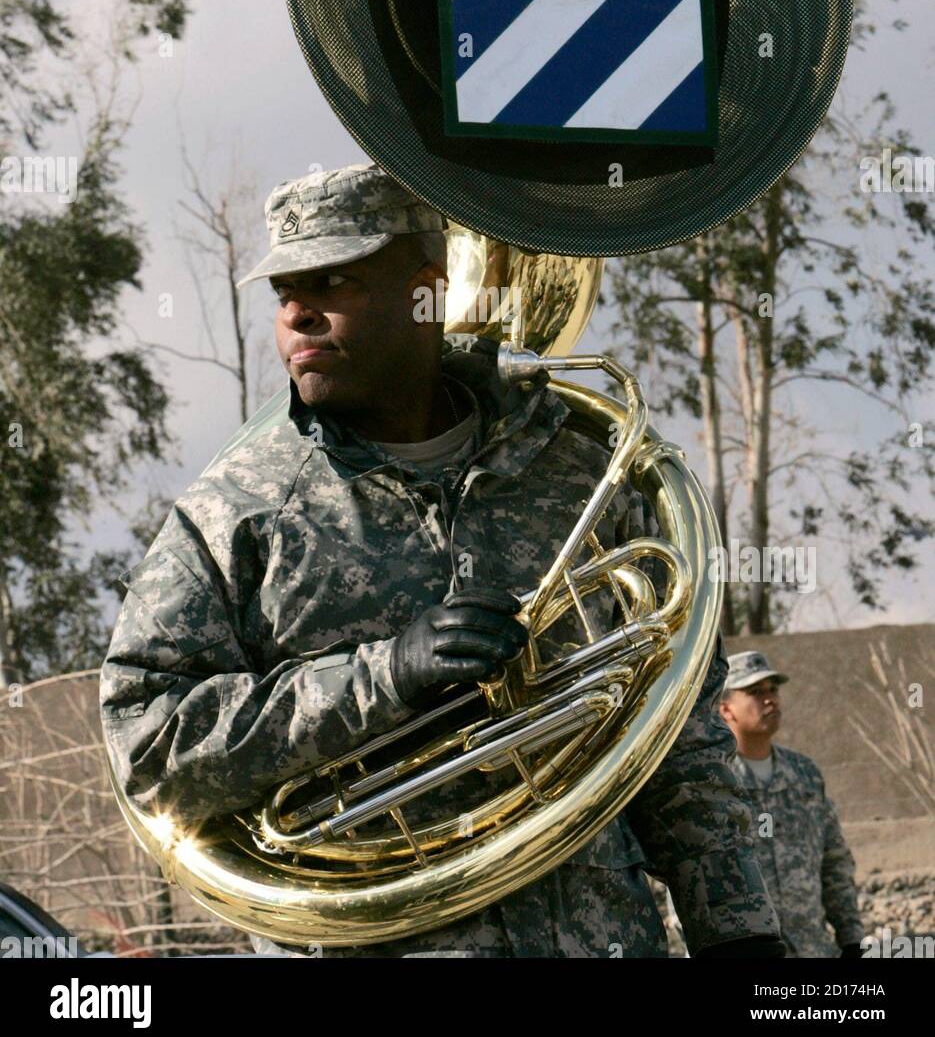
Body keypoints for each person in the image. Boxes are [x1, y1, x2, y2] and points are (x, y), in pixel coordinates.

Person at [100, 161, 783, 959]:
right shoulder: (234, 511)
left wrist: (741, 935)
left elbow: (679, 733)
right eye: (284, 292)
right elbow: (148, 745)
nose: (298, 317)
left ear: (427, 289)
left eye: (333, 282)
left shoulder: (578, 468)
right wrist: (382, 676)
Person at [720, 650, 865, 959]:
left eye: (773, 690)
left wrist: (851, 938)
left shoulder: (804, 774)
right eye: (756, 692)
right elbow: (687, 878)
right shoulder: (713, 783)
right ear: (725, 709)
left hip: (814, 950)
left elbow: (834, 861)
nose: (770, 699)